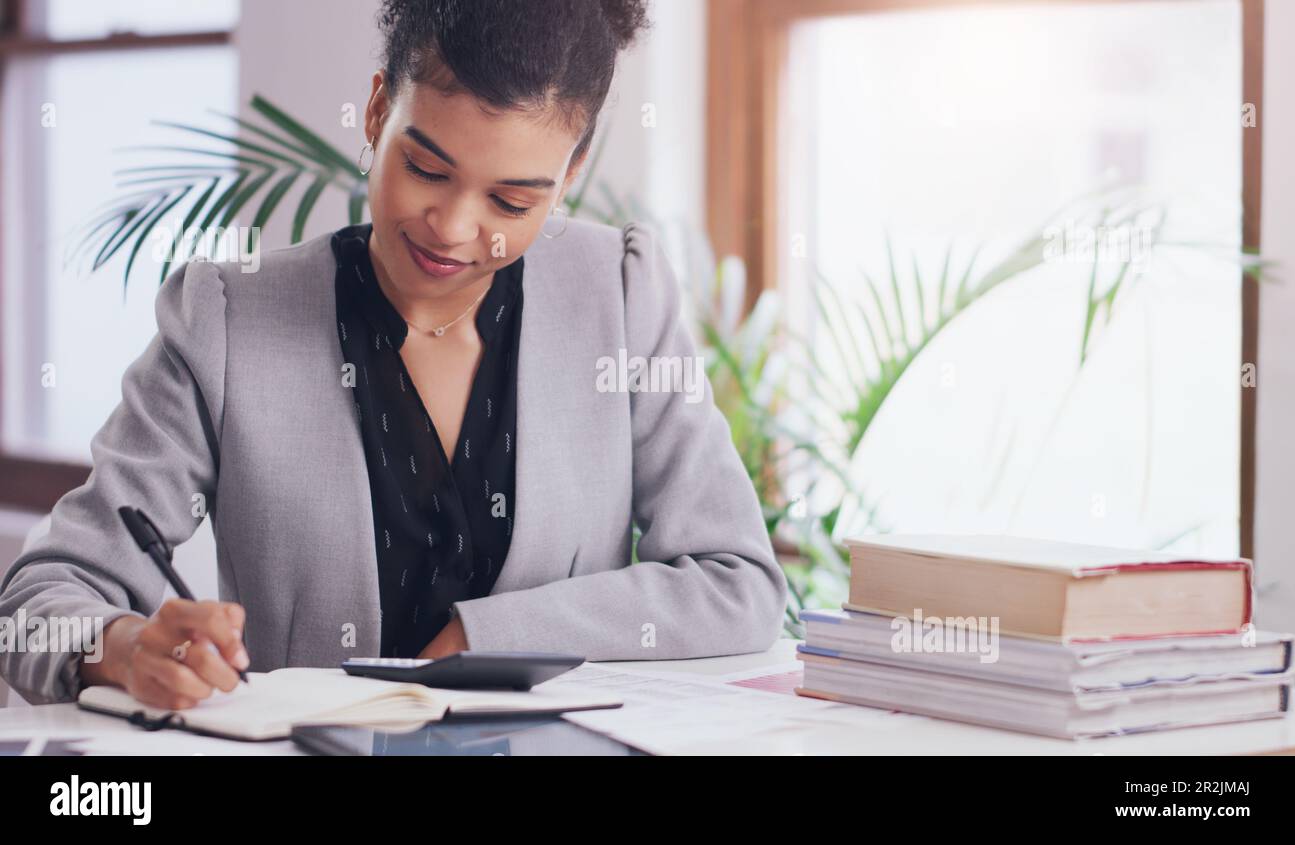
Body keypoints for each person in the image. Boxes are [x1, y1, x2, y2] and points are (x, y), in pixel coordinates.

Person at [0, 0, 784, 709]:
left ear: (570, 174)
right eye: (427, 168)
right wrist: (124, 647)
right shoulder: (227, 320)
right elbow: (33, 603)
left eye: (511, 201)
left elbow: (736, 580)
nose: (451, 226)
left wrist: (490, 634)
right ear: (377, 111)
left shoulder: (618, 295)